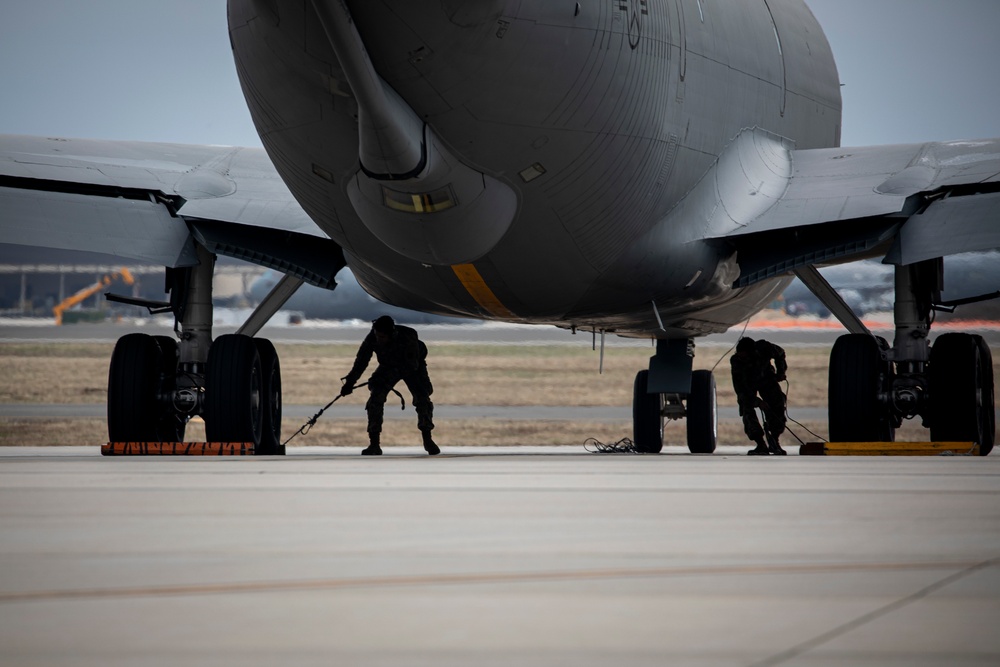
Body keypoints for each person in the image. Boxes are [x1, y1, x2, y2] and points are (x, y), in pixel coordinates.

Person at [340, 315, 439, 456]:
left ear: (392, 334)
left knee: (422, 398)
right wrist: (349, 383)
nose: (379, 340)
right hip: (387, 365)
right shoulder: (372, 338)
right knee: (375, 398)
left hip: (412, 365)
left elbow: (411, 366)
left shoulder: (408, 336)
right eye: (377, 336)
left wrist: (386, 378)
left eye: (383, 337)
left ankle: (427, 439)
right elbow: (361, 361)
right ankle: (374, 444)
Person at [730, 337, 788, 455]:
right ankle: (760, 443)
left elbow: (780, 353)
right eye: (740, 356)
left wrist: (781, 372)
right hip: (748, 385)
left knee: (777, 404)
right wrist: (757, 402)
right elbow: (740, 388)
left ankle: (774, 440)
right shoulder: (736, 361)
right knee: (746, 406)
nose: (742, 358)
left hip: (767, 379)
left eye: (745, 356)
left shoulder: (764, 348)